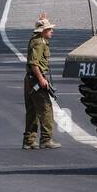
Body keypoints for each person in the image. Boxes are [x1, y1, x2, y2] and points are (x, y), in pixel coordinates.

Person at [23, 15, 59, 149]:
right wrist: (41, 79)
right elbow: (34, 63)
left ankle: (29, 141)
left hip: (31, 79)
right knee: (46, 109)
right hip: (35, 80)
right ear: (43, 31)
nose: (52, 31)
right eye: (49, 29)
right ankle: (46, 139)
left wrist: (43, 19)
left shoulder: (37, 40)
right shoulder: (39, 43)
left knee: (32, 110)